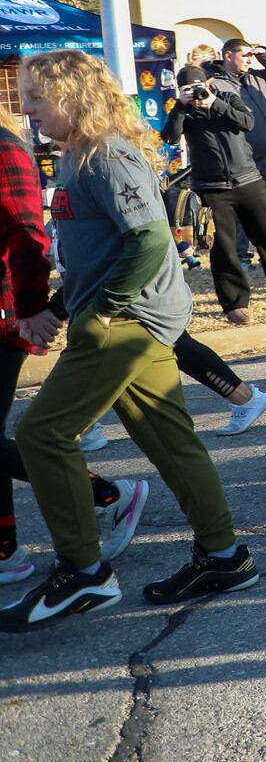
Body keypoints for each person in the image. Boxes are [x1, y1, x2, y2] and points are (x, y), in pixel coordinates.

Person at [3, 51, 256, 631]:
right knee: (171, 440)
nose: (29, 109)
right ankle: (225, 557)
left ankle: (83, 575)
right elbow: (100, 254)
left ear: (73, 96)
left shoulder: (107, 156)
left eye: (38, 96)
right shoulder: (76, 157)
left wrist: (104, 313)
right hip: (124, 316)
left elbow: (146, 240)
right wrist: (59, 308)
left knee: (42, 435)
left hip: (129, 323)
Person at [0, 109, 151, 590]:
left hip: (6, 313)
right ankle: (7, 551)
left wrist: (32, 309)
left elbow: (28, 234)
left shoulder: (4, 148)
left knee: (29, 434)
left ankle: (106, 496)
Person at [161, 64, 266, 325]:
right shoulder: (183, 111)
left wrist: (214, 103)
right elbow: (170, 137)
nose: (196, 92)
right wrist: (181, 107)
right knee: (224, 247)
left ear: (208, 83)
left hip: (248, 180)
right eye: (188, 89)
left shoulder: (226, 98)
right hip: (211, 188)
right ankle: (234, 303)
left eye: (198, 86)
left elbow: (246, 122)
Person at [208, 39, 266, 264]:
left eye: (251, 56)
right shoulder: (215, 83)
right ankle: (241, 256)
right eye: (245, 55)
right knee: (243, 210)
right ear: (228, 56)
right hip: (242, 159)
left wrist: (264, 53)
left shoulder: (255, 78)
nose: (249, 60)